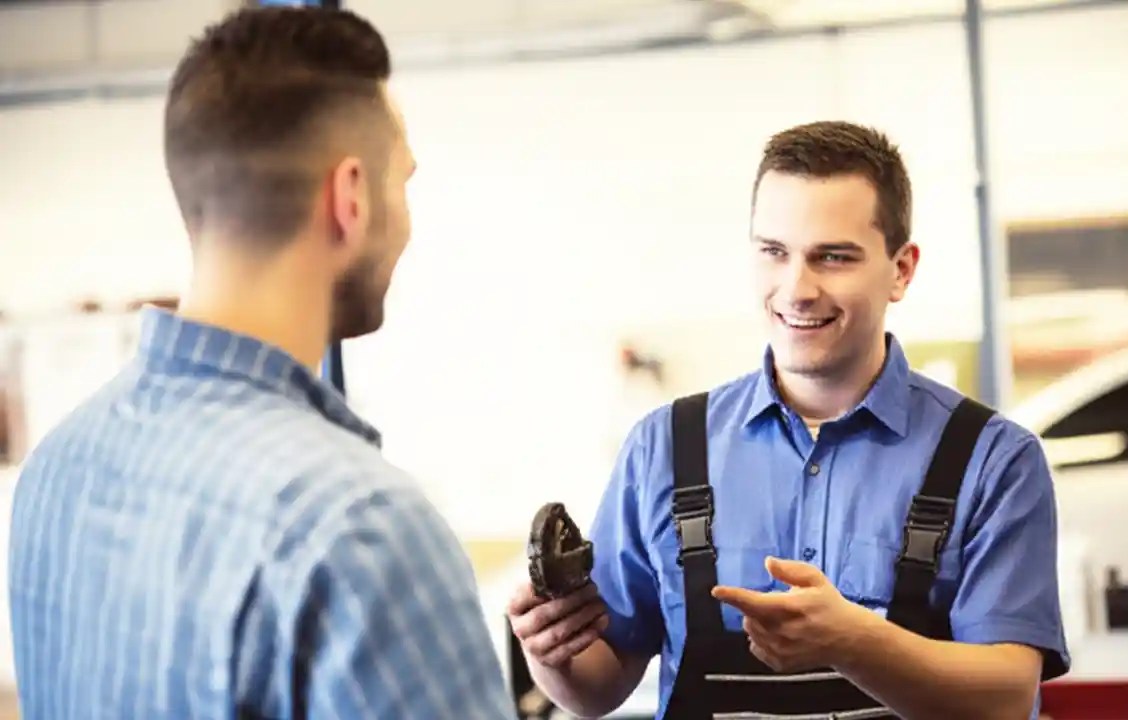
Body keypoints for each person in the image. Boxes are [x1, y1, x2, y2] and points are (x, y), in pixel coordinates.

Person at [9, 7, 513, 719]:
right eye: (403, 180)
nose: (408, 219)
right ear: (349, 198)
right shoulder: (360, 529)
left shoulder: (58, 467)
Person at [507, 121, 1070, 719]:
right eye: (774, 252)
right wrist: (551, 652)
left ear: (902, 270)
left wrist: (853, 643)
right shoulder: (664, 448)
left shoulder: (993, 460)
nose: (797, 288)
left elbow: (1007, 700)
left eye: (833, 257)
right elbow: (598, 688)